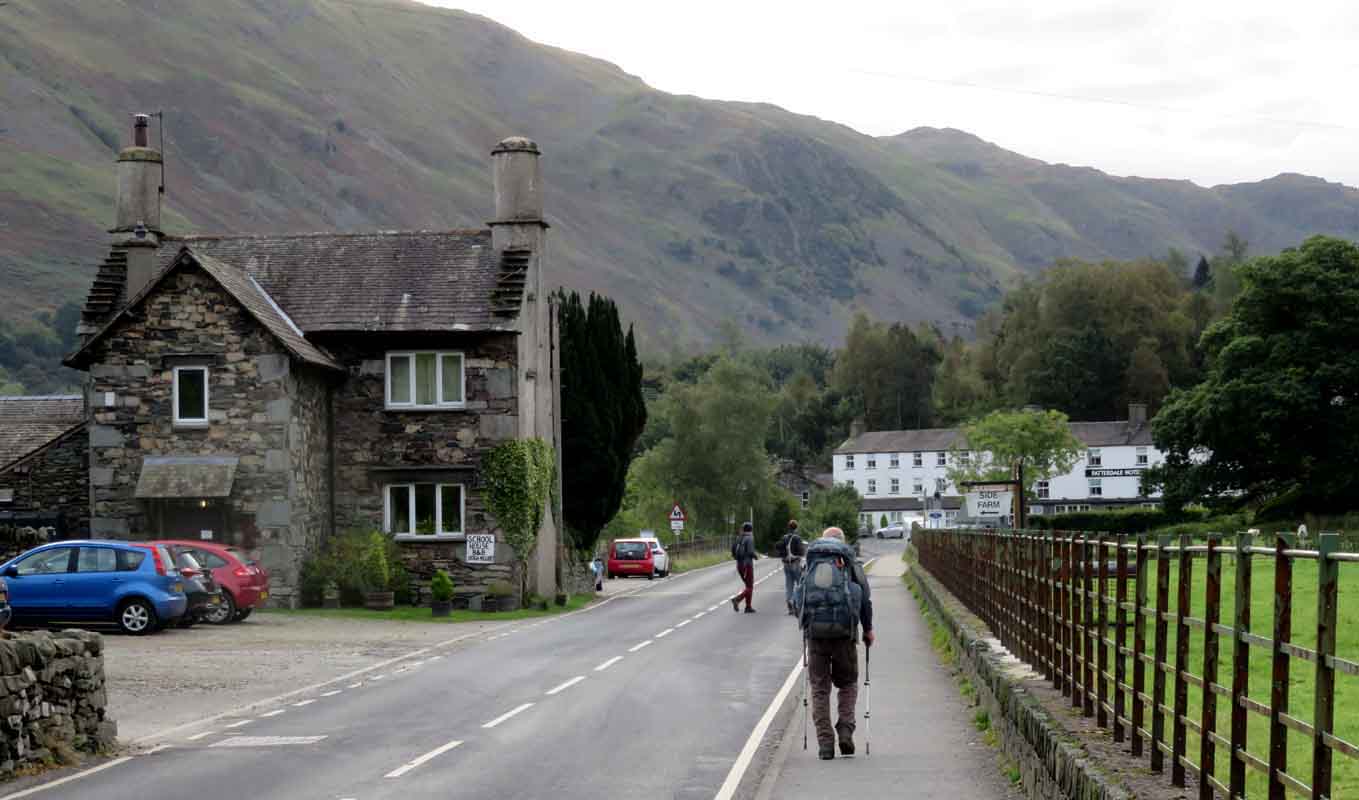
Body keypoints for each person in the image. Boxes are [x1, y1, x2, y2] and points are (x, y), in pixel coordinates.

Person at [796, 526, 874, 760]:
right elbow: (865, 600)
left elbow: (798, 598)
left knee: (819, 689)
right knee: (848, 683)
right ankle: (845, 730)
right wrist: (868, 629)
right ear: (842, 542)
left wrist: (806, 624)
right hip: (844, 635)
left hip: (816, 636)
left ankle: (825, 744)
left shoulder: (809, 564)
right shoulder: (851, 564)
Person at [777, 519, 807, 615]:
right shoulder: (797, 538)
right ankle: (794, 602)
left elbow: (778, 546)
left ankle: (789, 602)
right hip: (795, 563)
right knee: (799, 585)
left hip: (786, 564)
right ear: (796, 528)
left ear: (788, 527)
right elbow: (801, 552)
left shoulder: (784, 537)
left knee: (788, 585)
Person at [729, 522, 757, 613]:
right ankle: (737, 599)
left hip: (739, 565)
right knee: (750, 586)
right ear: (751, 530)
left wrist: (737, 558)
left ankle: (748, 607)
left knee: (748, 585)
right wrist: (755, 556)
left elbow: (733, 550)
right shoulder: (750, 538)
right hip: (747, 565)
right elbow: (750, 552)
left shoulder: (738, 538)